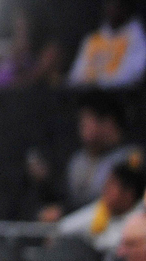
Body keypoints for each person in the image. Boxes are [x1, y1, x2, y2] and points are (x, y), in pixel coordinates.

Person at [39, 91, 136, 222]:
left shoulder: (129, 159)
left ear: (109, 123)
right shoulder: (78, 160)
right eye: (82, 120)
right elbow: (68, 198)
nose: (82, 125)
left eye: (88, 119)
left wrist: (65, 212)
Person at [57, 154, 146, 256]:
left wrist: (88, 242)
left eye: (111, 185)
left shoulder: (140, 219)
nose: (105, 189)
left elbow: (114, 246)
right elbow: (64, 227)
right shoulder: (102, 209)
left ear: (128, 194)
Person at [68, 0, 146, 89]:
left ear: (125, 9)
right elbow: (77, 74)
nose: (111, 11)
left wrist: (101, 84)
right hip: (85, 93)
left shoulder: (136, 37)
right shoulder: (94, 39)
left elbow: (132, 75)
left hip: (119, 94)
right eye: (108, 6)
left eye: (115, 7)